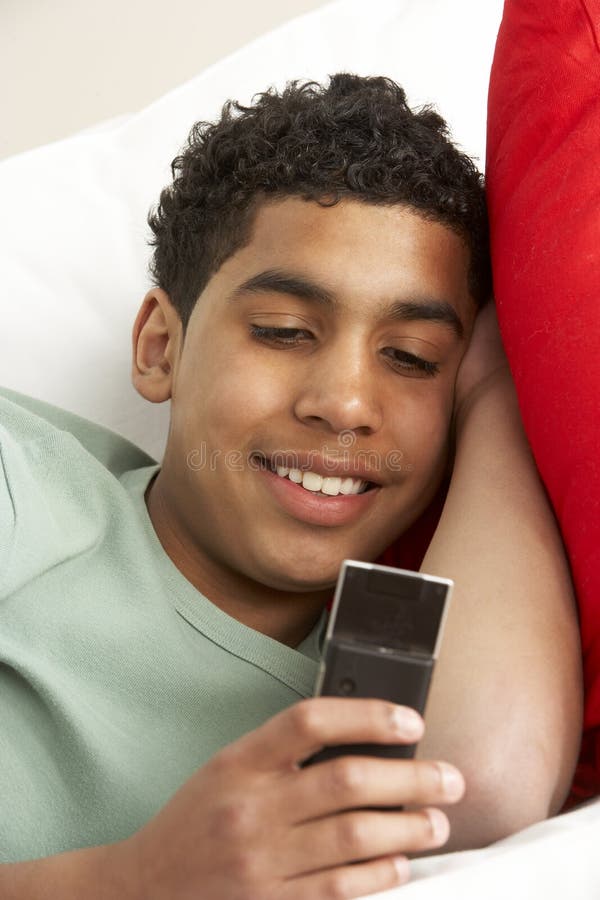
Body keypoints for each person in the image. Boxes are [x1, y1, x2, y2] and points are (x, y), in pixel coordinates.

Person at [0, 75, 581, 899]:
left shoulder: (386, 658)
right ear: (161, 348)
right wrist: (127, 880)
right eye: (282, 332)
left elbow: (481, 783)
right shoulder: (24, 482)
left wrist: (497, 387)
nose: (344, 403)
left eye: (412, 358)